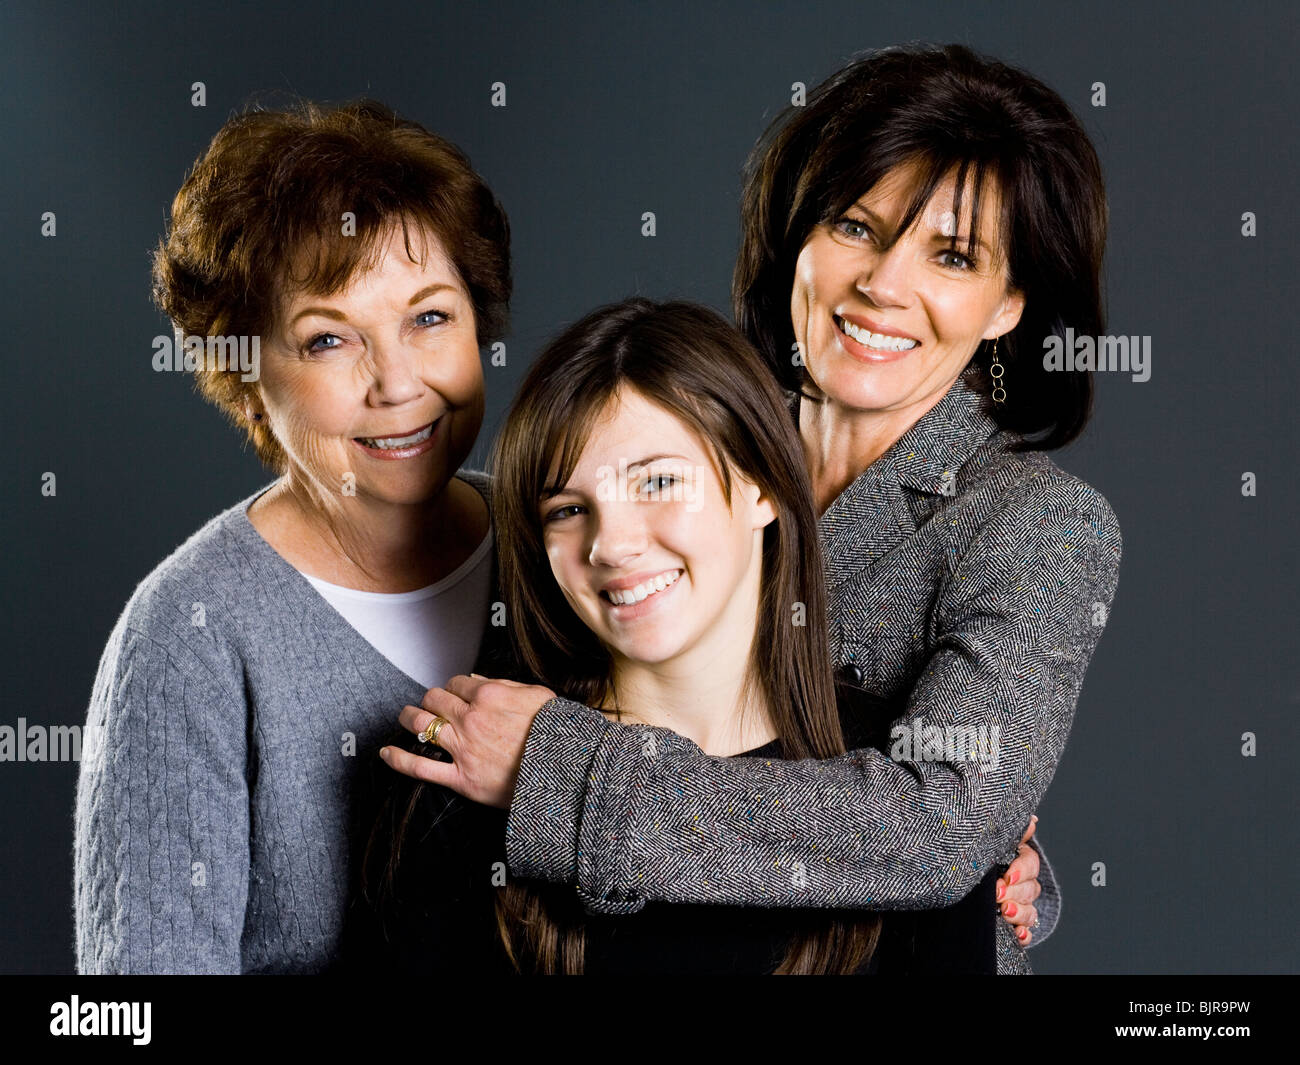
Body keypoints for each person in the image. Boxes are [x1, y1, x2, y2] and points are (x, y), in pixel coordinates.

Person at [382, 42, 1122, 974]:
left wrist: (562, 775)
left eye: (951, 255)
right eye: (855, 226)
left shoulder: (1038, 525)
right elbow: (542, 634)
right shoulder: (693, 414)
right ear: (797, 237)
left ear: (1008, 304)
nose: (884, 285)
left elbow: (939, 826)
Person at [363, 298, 1003, 974]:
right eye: (569, 509)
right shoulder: (461, 765)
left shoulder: (913, 793)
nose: (611, 544)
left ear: (761, 485)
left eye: (659, 481)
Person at [73, 99, 513, 972]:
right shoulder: (190, 632)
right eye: (327, 340)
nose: (397, 383)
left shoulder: (568, 547)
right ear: (245, 379)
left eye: (429, 318)